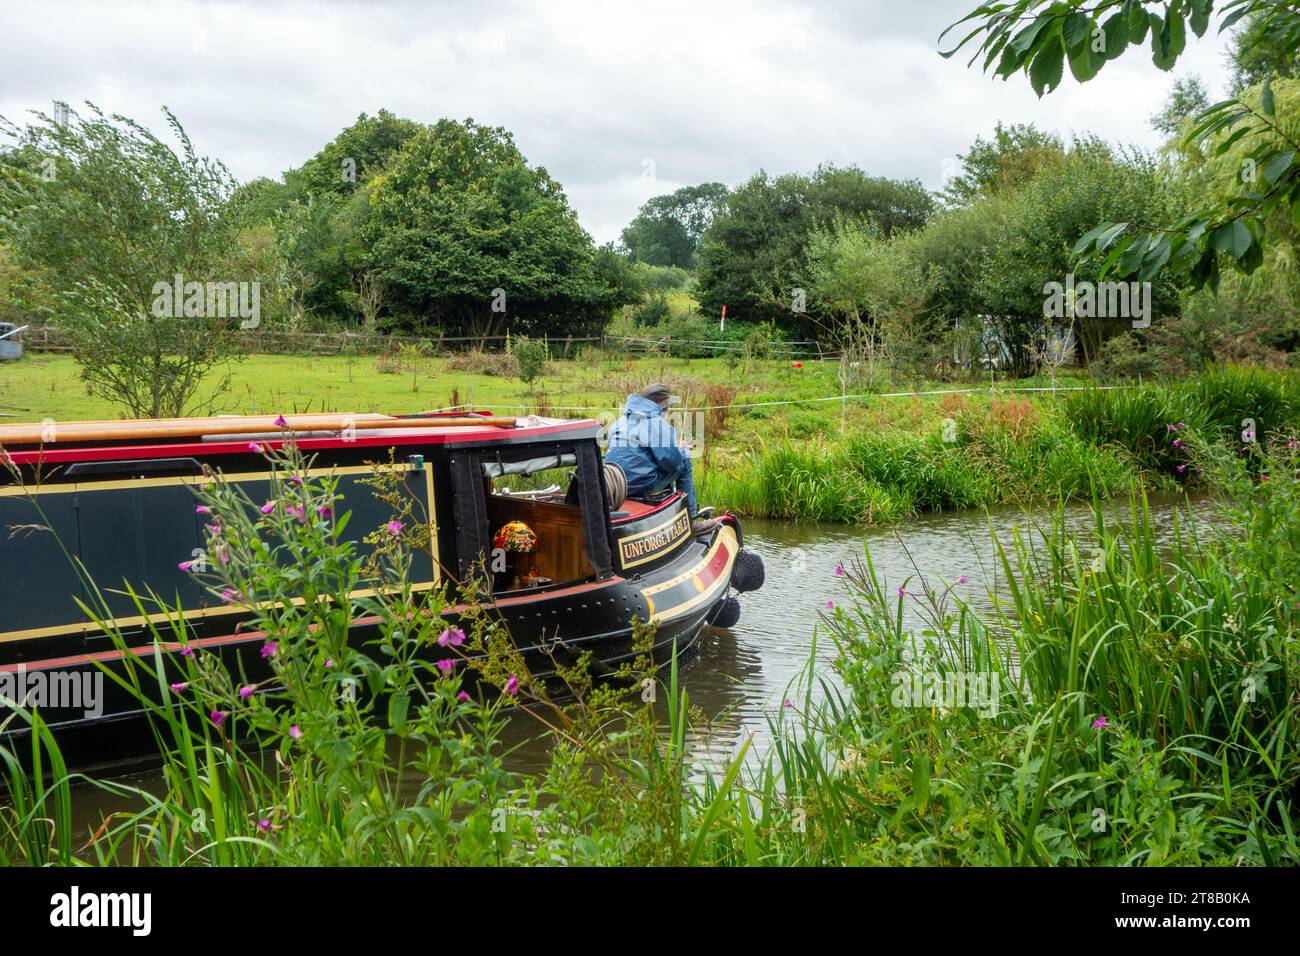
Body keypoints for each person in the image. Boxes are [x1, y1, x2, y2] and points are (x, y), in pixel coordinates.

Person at [604, 384, 717, 534]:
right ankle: (691, 521)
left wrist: (675, 447)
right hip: (641, 485)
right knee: (685, 460)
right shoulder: (655, 422)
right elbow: (673, 463)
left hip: (616, 486)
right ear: (661, 403)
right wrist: (681, 450)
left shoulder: (620, 420)